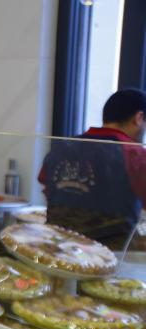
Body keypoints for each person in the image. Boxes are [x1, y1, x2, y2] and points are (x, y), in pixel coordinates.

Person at [38, 88, 146, 246]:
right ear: (139, 117)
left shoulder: (61, 147)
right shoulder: (135, 154)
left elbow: (48, 189)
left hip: (57, 253)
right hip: (109, 260)